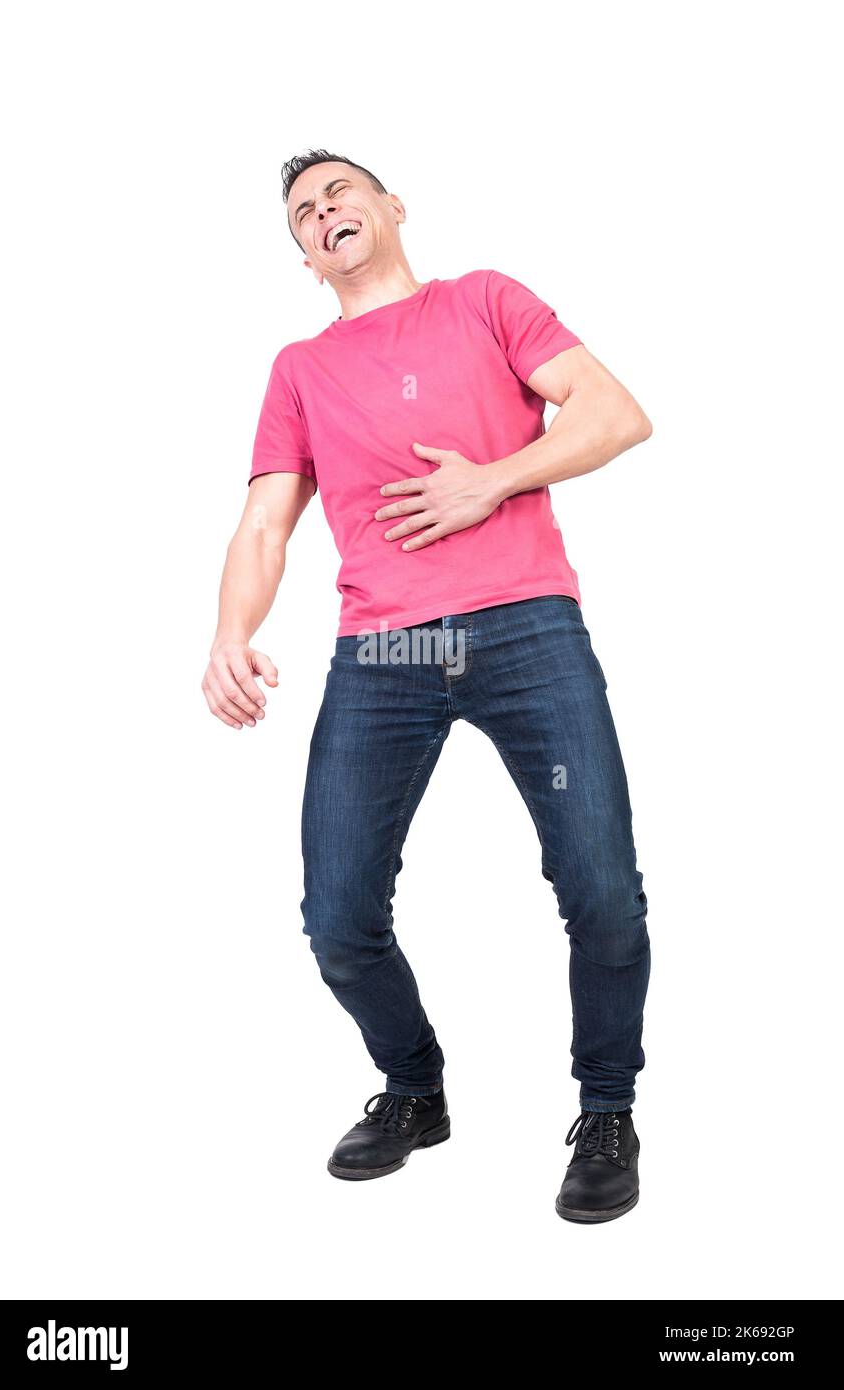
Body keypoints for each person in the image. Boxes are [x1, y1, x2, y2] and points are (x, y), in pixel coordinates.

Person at [202, 150, 653, 1221]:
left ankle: (607, 1106)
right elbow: (266, 519)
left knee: (601, 888)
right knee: (339, 915)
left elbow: (615, 412)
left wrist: (489, 483)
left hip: (527, 624)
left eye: (340, 194)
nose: (323, 214)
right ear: (305, 256)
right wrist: (229, 630)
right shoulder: (300, 369)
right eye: (304, 214)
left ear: (393, 207)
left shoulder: (486, 302)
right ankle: (414, 1089)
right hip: (385, 654)